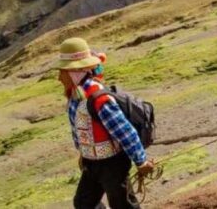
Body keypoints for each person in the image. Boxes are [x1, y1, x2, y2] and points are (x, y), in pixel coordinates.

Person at [56, 37, 154, 209]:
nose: (59, 77)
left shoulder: (99, 98)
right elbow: (78, 129)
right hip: (92, 163)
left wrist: (141, 161)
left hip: (113, 163)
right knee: (83, 203)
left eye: (63, 71)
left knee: (122, 205)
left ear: (75, 71)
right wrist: (83, 153)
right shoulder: (75, 96)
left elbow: (124, 131)